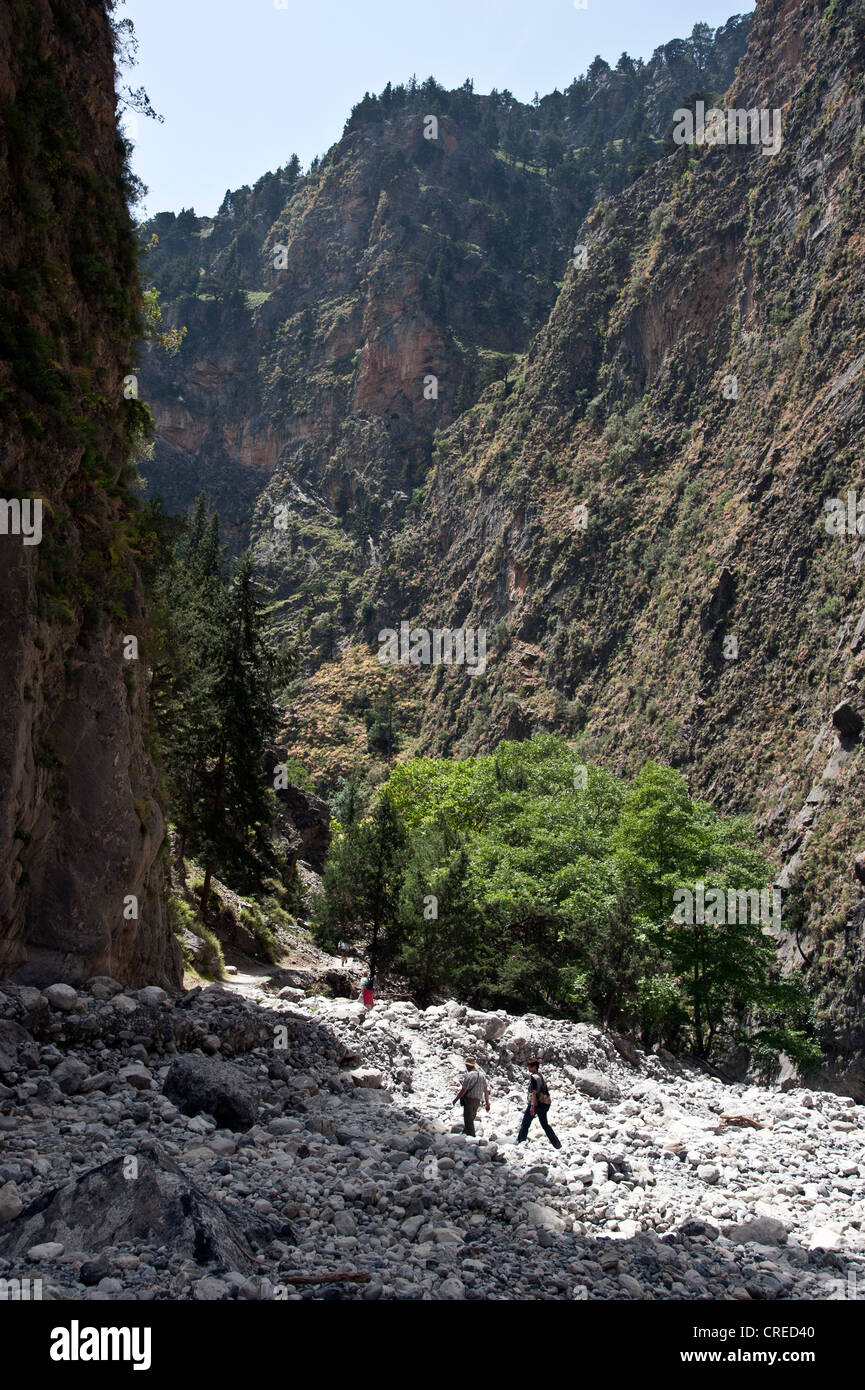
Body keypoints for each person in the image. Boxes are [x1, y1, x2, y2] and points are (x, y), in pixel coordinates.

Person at [516, 1058, 561, 1148]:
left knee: (525, 1123)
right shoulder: (540, 1076)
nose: (529, 1068)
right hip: (543, 1104)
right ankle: (556, 1143)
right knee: (545, 1124)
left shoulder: (534, 1077)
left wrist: (532, 1106)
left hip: (535, 1104)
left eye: (530, 1066)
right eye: (528, 1066)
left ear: (535, 1067)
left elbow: (533, 1092)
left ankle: (521, 1141)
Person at [453, 1057, 489, 1136]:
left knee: (468, 1120)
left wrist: (456, 1099)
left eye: (466, 1065)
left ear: (468, 1066)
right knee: (471, 1119)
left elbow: (464, 1090)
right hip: (477, 1101)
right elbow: (486, 1091)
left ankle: (472, 1138)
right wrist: (487, 1104)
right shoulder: (481, 1076)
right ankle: (464, 1135)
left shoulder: (469, 1075)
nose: (466, 1067)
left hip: (469, 1100)